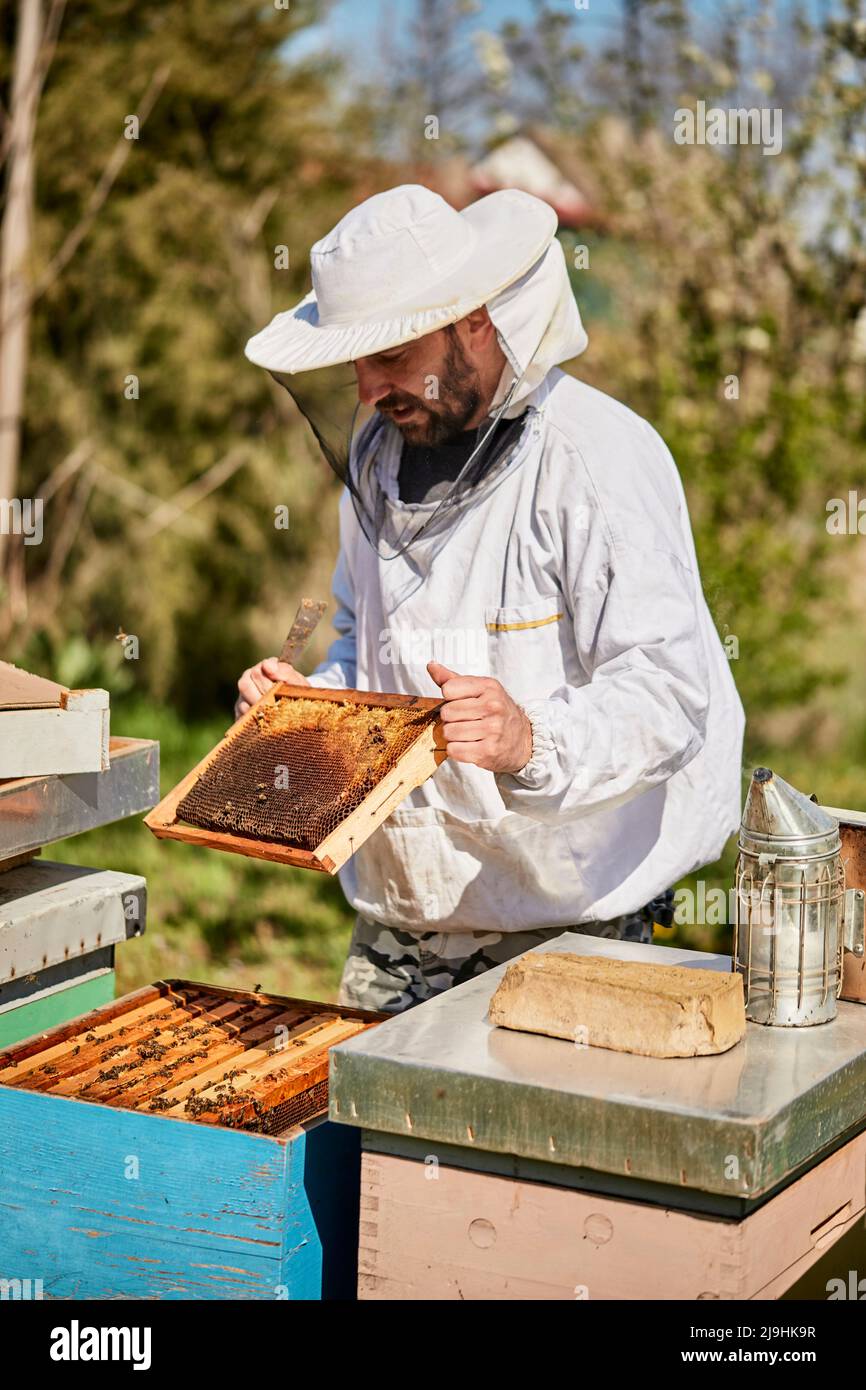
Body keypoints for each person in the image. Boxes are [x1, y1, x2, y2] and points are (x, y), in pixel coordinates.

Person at [238, 184, 745, 1013]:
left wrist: (527, 739)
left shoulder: (596, 459)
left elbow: (667, 693)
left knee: (535, 1141)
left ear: (474, 318)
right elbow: (363, 645)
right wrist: (307, 710)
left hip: (572, 924)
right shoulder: (376, 462)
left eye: (392, 357)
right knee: (378, 1139)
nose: (367, 390)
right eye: (354, 364)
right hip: (403, 916)